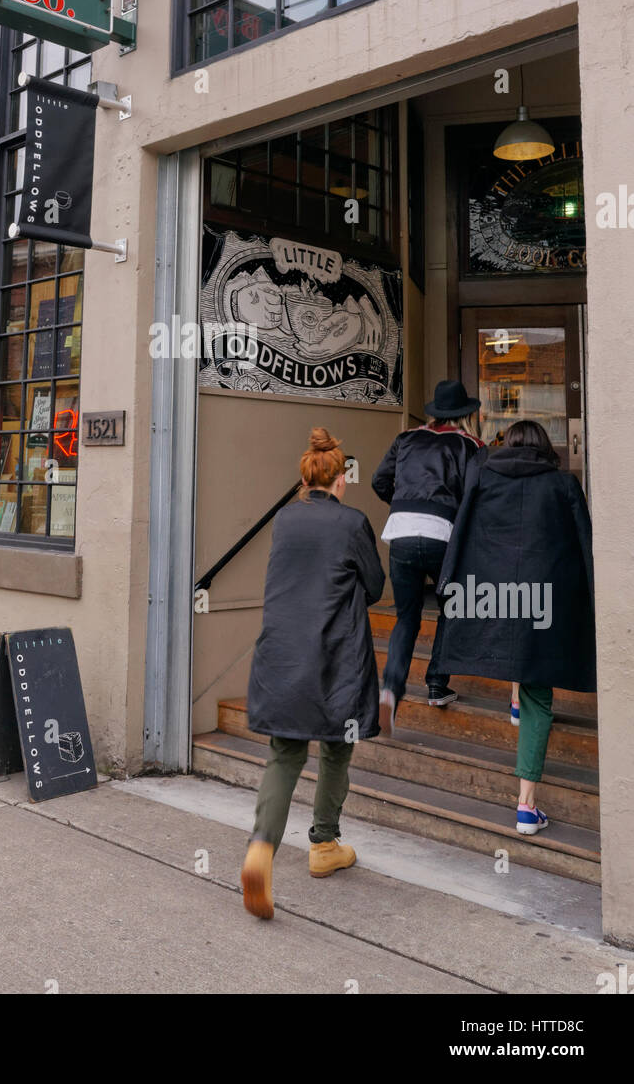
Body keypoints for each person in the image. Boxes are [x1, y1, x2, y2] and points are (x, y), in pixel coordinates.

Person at [240, 426, 385, 920]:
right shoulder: (352, 523)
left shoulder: (284, 520)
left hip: (281, 653)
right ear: (340, 478)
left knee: (284, 755)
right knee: (337, 750)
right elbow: (375, 587)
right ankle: (324, 845)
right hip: (336, 657)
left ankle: (262, 849)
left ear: (305, 479)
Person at [436, 419, 596, 834]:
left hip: (495, 594)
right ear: (545, 447)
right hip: (544, 598)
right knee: (539, 695)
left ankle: (513, 701)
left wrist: (451, 585)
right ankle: (526, 804)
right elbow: (584, 545)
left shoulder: (484, 479)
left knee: (512, 647)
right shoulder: (563, 485)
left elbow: (463, 534)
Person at [371, 379, 486, 733]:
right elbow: (476, 496)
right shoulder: (472, 446)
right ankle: (437, 683)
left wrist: (408, 506)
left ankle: (390, 689)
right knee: (452, 607)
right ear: (467, 414)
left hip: (401, 531)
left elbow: (379, 481)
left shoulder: (406, 438)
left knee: (407, 617)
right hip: (443, 534)